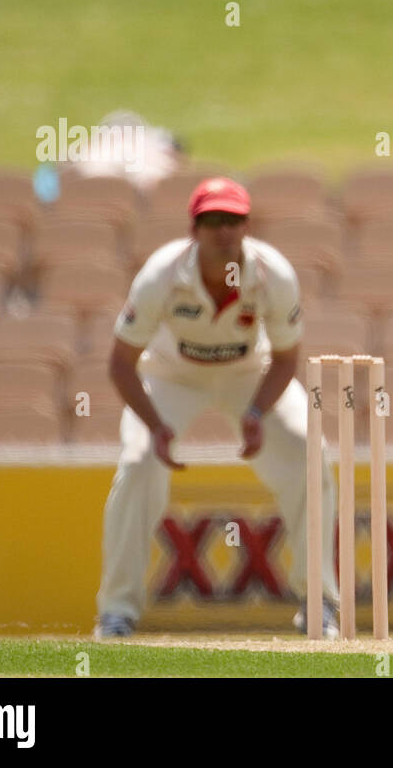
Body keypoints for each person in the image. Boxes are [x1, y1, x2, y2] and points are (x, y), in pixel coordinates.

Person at [94, 177, 338, 639]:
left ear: (247, 226)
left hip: (250, 374)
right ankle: (116, 612)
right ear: (194, 229)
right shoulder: (160, 275)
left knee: (312, 451)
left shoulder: (275, 275)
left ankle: (318, 602)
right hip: (170, 376)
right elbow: (121, 364)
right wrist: (156, 426)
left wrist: (256, 413)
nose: (224, 231)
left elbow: (286, 358)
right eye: (213, 221)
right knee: (138, 463)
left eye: (233, 221)